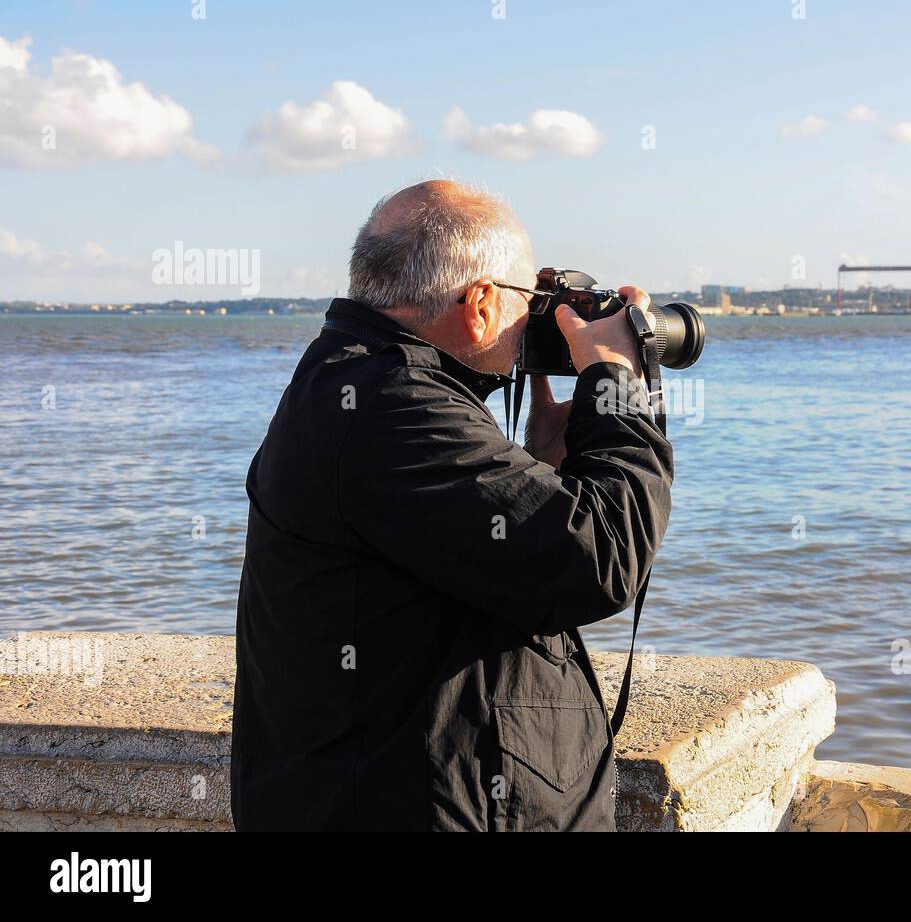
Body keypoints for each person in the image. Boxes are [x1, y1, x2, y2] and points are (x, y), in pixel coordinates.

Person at [231, 180, 673, 831]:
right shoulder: (390, 404)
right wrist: (615, 386)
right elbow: (603, 554)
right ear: (481, 304)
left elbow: (478, 559)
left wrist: (548, 466)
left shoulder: (362, 380)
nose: (537, 325)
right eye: (531, 302)